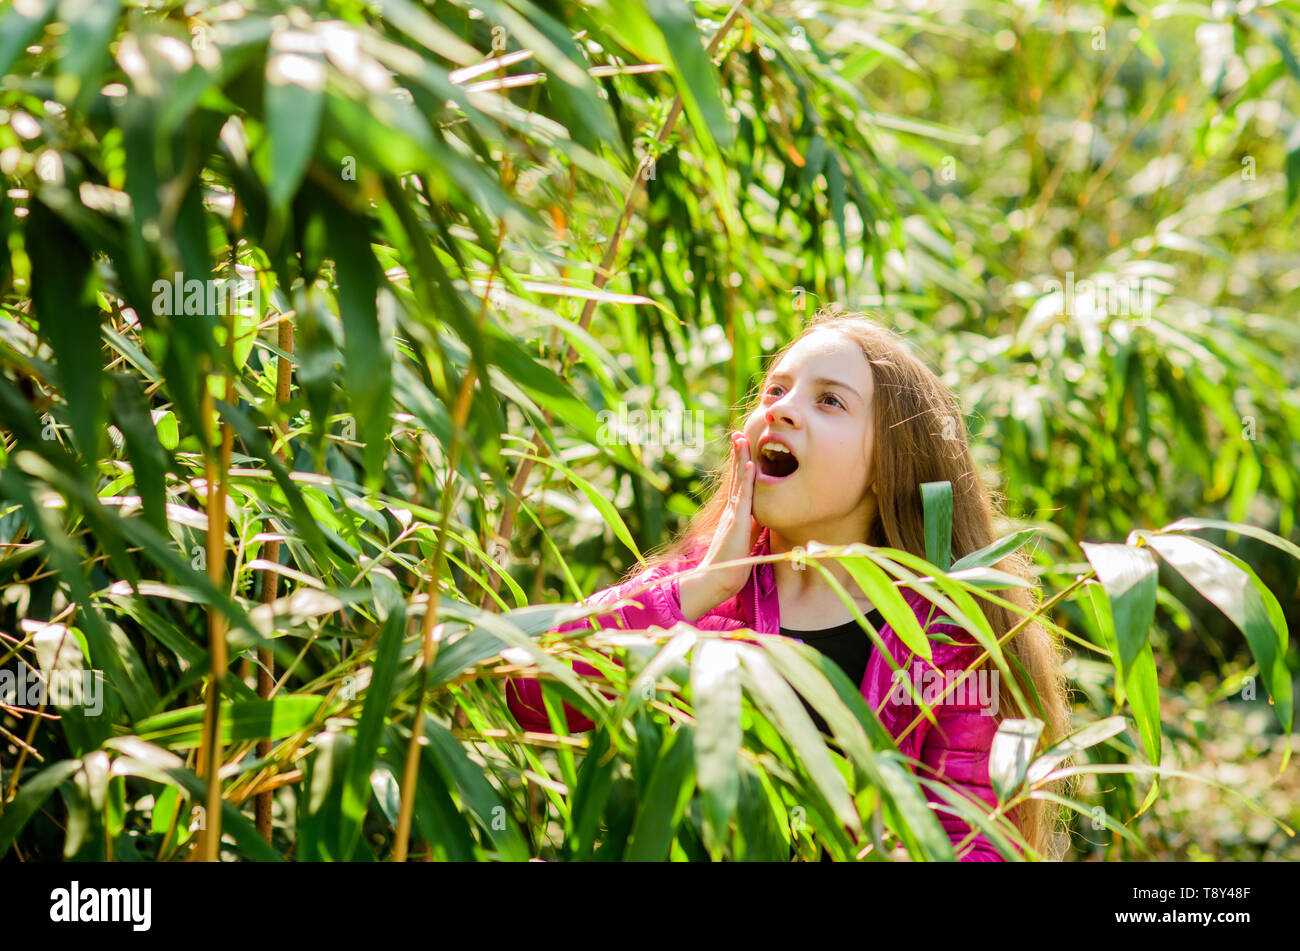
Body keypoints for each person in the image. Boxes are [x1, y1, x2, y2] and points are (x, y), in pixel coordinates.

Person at [506, 308, 1072, 861]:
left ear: (889, 465)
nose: (782, 411)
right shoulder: (697, 593)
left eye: (830, 400)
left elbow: (973, 841)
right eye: (774, 391)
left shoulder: (947, 641)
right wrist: (698, 588)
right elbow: (529, 692)